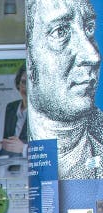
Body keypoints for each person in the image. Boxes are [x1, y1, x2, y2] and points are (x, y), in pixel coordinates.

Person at [26, 0, 103, 179]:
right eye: (60, 32)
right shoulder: (20, 143)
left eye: (89, 28)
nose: (93, 56)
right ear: (29, 60)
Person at [0, 64, 28, 157]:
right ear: (18, 84)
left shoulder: (42, 112)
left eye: (32, 83)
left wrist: (24, 148)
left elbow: (49, 152)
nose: (28, 87)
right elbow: (9, 150)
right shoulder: (11, 107)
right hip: (12, 168)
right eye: (24, 82)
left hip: (32, 170)